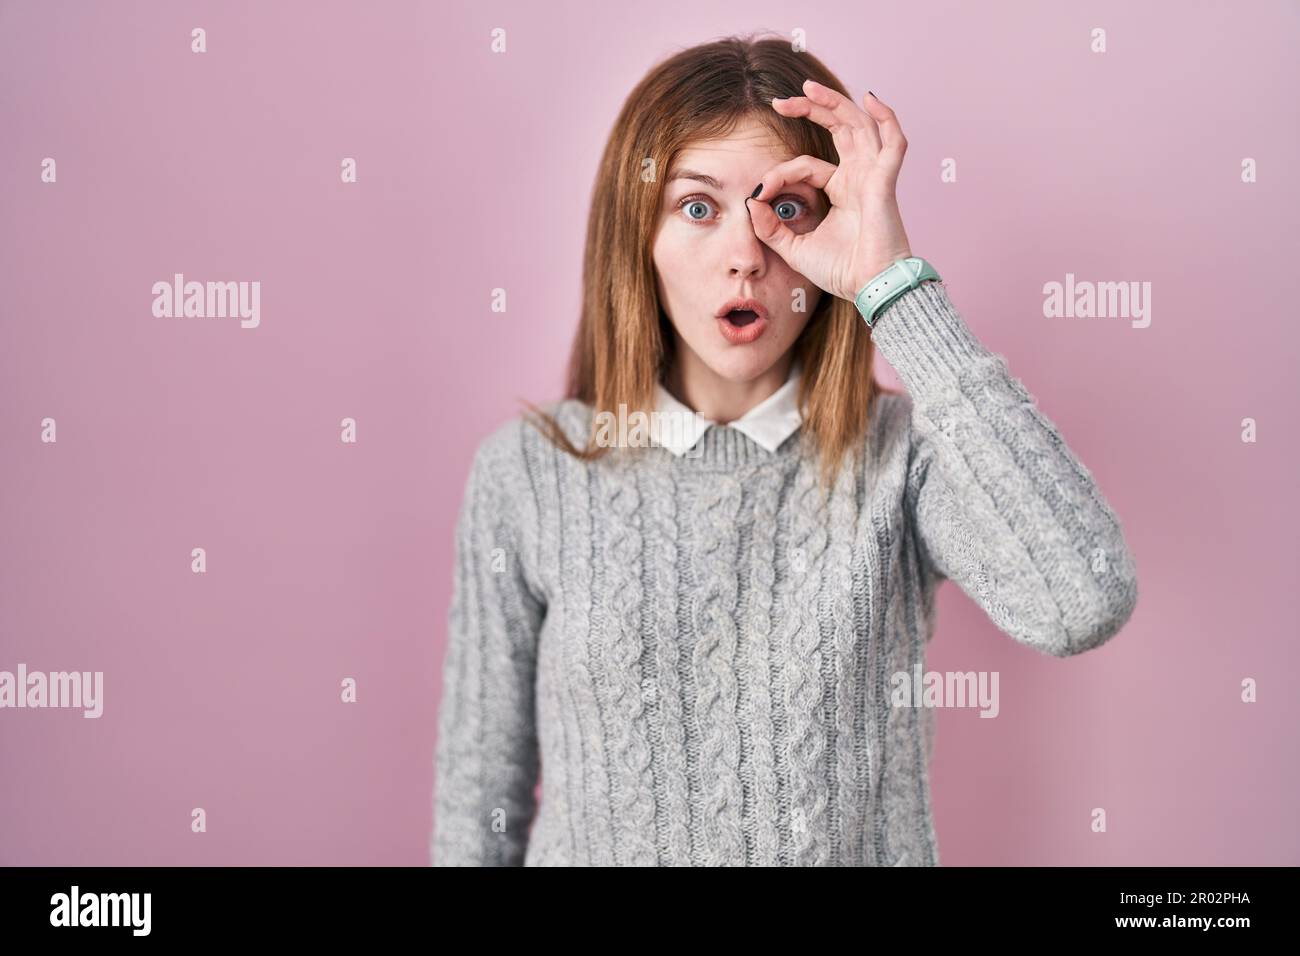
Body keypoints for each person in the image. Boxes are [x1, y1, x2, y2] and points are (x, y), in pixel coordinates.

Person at [430, 34, 1138, 867]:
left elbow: (1081, 599)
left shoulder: (901, 460)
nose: (745, 255)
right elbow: (480, 800)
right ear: (639, 239)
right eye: (697, 209)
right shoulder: (526, 474)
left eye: (786, 209)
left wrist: (893, 282)